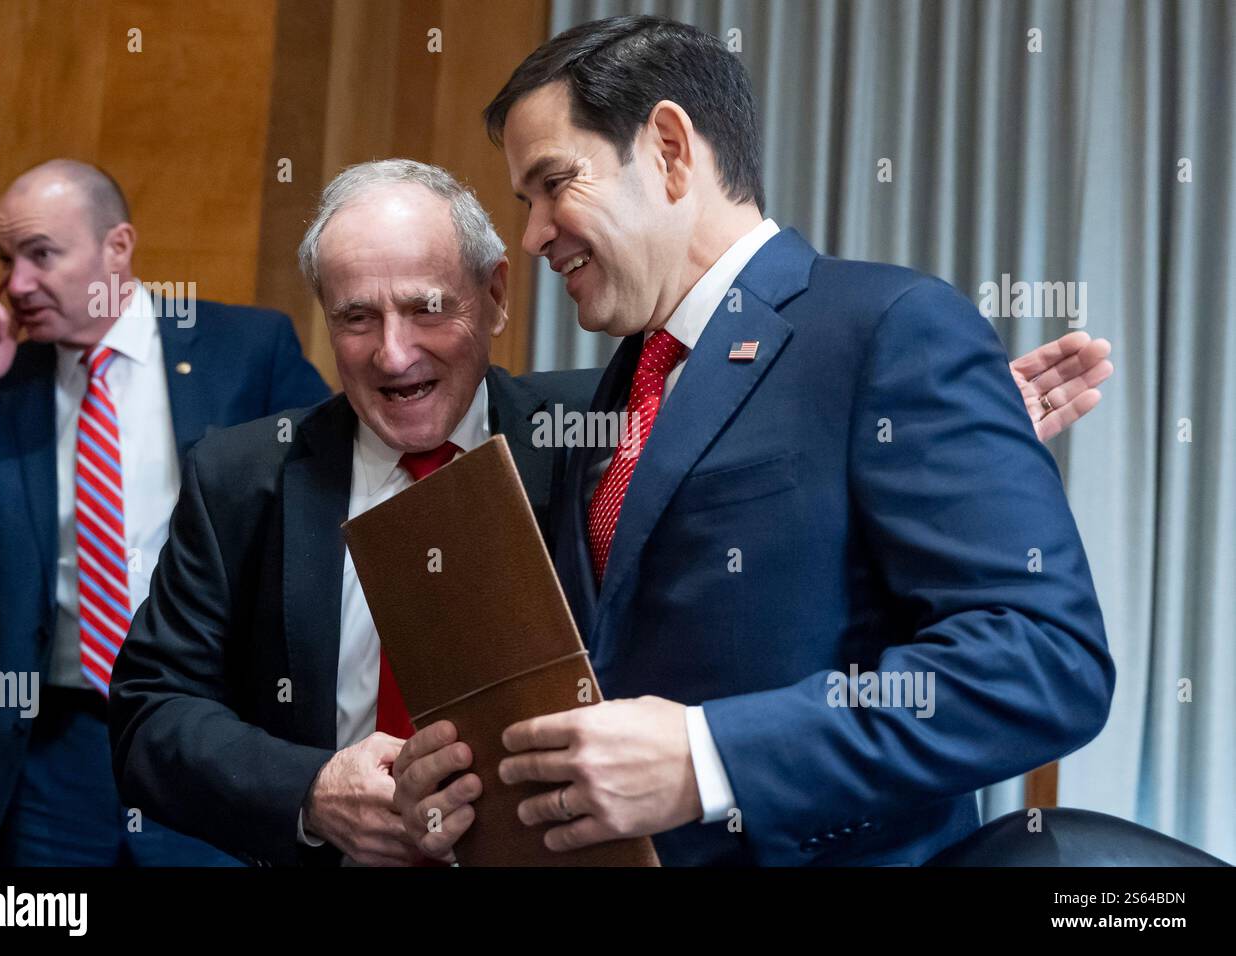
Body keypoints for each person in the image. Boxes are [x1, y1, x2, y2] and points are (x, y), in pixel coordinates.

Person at [392, 15, 1117, 867]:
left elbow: (1043, 663)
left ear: (668, 148)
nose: (534, 233)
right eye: (526, 203)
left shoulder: (892, 330)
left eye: (554, 184)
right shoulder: (620, 385)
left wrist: (711, 759)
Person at [107, 159, 600, 866]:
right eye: (357, 318)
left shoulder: (596, 440)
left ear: (494, 295)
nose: (394, 355)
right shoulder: (241, 478)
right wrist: (310, 790)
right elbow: (149, 715)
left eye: (428, 307)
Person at [0, 159, 330, 866]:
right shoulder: (6, 387)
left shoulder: (246, 351)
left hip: (211, 732)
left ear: (117, 247)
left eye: (41, 255)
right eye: (6, 260)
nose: (16, 284)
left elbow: (331, 503)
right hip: (53, 756)